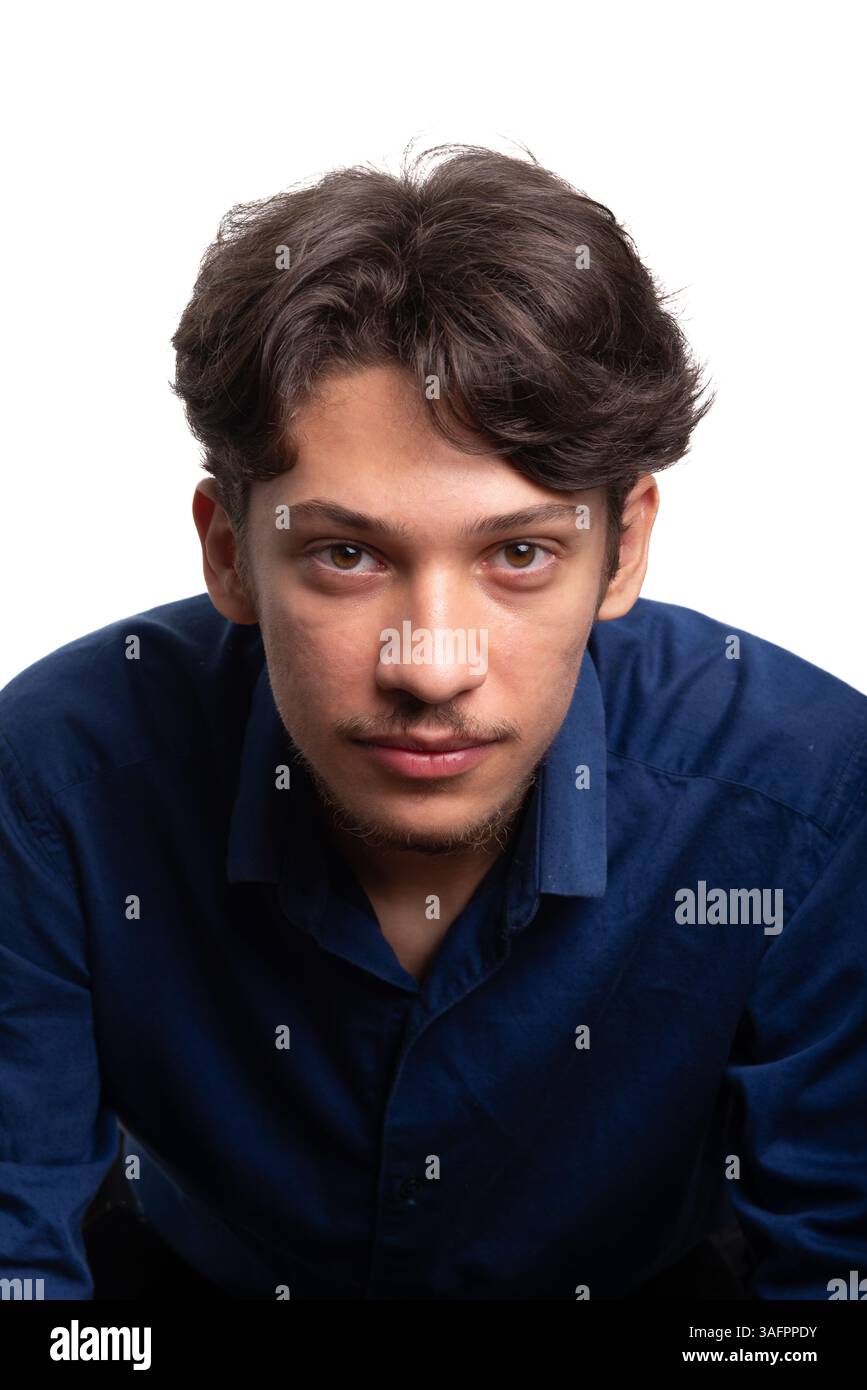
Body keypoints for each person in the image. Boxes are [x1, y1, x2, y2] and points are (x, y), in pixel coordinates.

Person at [1, 145, 864, 1301]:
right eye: (346, 555)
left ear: (626, 549)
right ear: (229, 552)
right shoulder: (56, 780)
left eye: (519, 553)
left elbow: (833, 1279)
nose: (432, 665)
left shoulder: (810, 797)